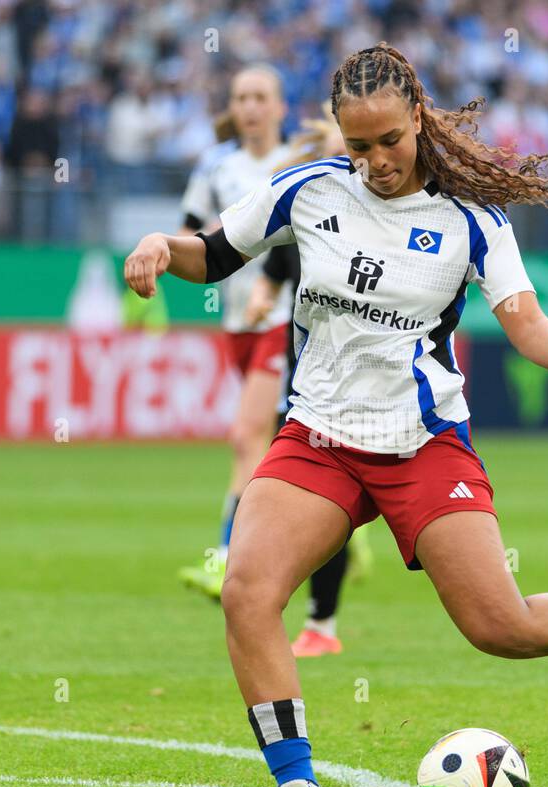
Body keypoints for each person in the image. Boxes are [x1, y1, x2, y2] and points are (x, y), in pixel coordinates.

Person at [125, 43, 548, 787]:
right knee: (248, 592)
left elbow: (526, 321)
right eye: (358, 145)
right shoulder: (306, 191)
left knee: (499, 627)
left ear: (419, 119)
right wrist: (166, 245)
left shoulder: (473, 219)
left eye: (389, 141)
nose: (375, 161)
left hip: (422, 442)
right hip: (319, 436)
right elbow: (217, 255)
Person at [245, 100, 373, 657]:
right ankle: (315, 622)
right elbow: (268, 276)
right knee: (315, 510)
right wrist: (257, 302)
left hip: (378, 399)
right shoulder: (300, 219)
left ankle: (321, 618)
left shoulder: (389, 227)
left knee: (336, 515)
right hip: (308, 395)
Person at [174, 65, 296, 599]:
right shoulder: (215, 168)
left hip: (285, 319)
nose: (250, 106)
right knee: (273, 446)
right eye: (241, 96)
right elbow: (188, 231)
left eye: (260, 97)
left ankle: (225, 555)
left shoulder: (298, 164)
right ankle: (339, 537)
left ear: (280, 107)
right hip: (235, 322)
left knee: (246, 437)